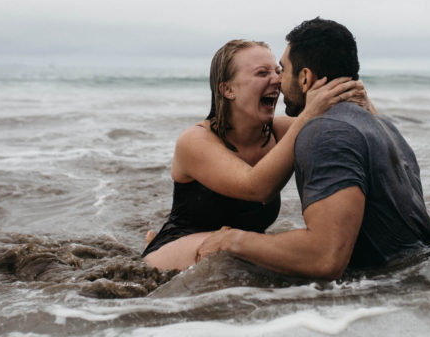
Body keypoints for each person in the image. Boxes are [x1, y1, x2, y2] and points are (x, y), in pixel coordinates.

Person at [196, 18, 430, 279]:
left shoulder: (327, 131)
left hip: (383, 291)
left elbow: (324, 258)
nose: (278, 80)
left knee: (224, 269)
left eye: (282, 70)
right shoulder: (383, 127)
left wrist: (233, 240)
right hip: (420, 281)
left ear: (305, 78)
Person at [142, 39, 369, 270]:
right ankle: (153, 247)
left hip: (237, 249)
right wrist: (308, 114)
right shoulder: (195, 141)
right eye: (262, 73)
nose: (277, 80)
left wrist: (361, 102)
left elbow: (353, 132)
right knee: (227, 258)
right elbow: (256, 188)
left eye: (278, 71)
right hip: (183, 244)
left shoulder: (281, 132)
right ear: (228, 90)